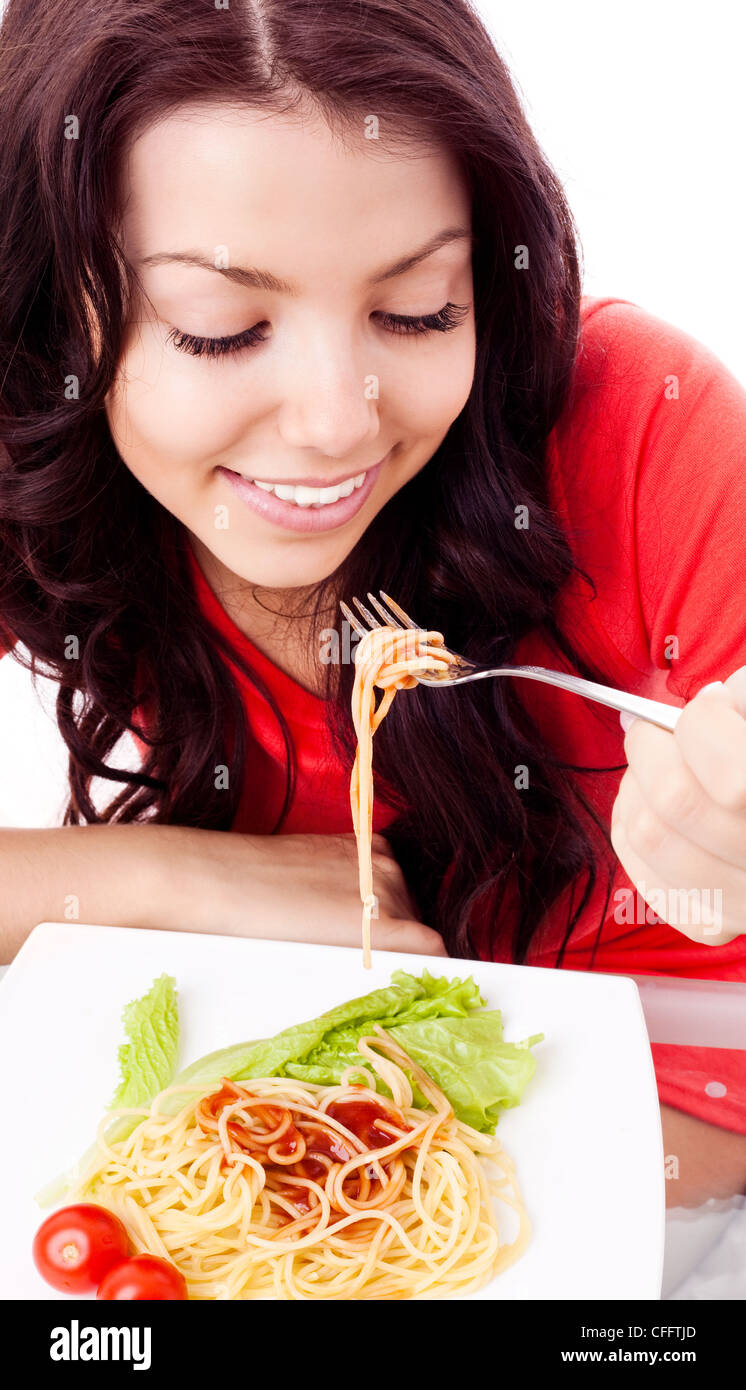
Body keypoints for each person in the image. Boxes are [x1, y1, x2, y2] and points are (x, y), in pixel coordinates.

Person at [0, 0, 744, 1211]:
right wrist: (171, 881)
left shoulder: (639, 430)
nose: (338, 421)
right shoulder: (37, 458)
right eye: (219, 329)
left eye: (417, 312)